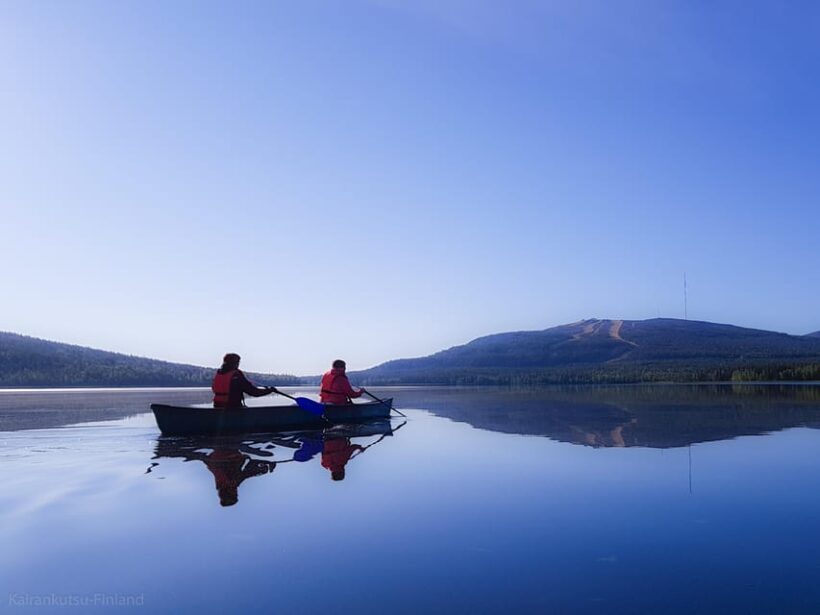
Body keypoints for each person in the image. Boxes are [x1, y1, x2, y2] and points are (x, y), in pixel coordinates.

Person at [212, 353, 277, 408]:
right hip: (233, 408)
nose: (238, 364)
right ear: (234, 363)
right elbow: (254, 392)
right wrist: (269, 390)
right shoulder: (236, 376)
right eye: (238, 362)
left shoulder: (218, 374)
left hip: (217, 407)